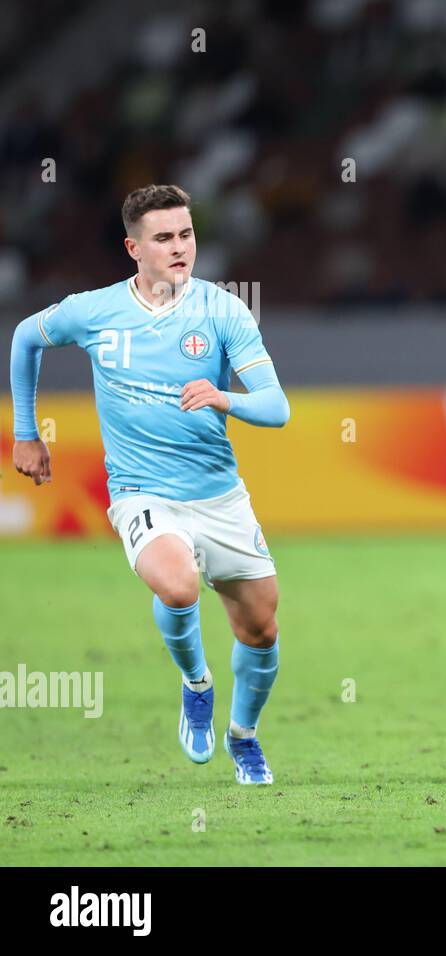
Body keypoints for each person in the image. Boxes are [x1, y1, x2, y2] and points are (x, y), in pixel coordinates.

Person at [9, 184, 290, 784]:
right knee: (178, 584)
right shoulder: (94, 311)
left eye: (186, 234)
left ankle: (244, 738)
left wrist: (225, 399)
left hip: (218, 494)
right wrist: (27, 432)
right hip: (142, 491)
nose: (179, 247)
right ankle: (196, 684)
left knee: (262, 628)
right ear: (133, 247)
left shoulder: (223, 310)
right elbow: (25, 338)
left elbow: (277, 407)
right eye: (164, 237)